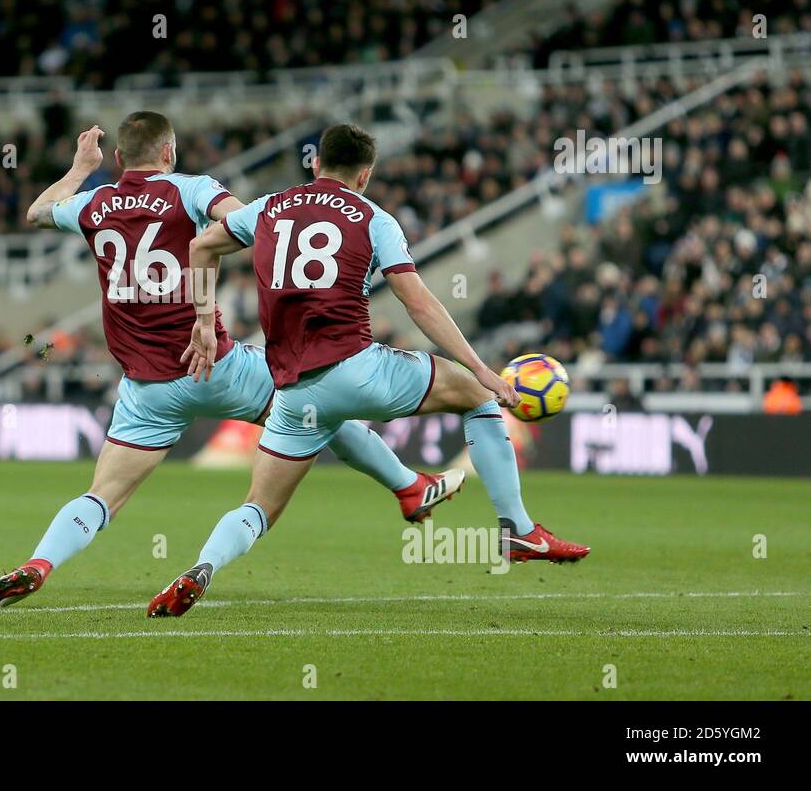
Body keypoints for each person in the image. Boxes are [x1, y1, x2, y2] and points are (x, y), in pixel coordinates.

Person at [0, 113, 461, 608]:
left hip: (145, 386)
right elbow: (258, 224)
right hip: (215, 363)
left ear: (117, 158)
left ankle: (39, 563)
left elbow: (37, 212)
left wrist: (79, 168)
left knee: (102, 496)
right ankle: (408, 486)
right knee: (315, 403)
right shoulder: (192, 189)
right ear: (169, 152)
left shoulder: (95, 201)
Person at [151, 122, 589, 617]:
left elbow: (201, 247)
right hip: (360, 369)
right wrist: (480, 369)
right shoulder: (373, 217)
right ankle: (518, 530)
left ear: (315, 164)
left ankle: (202, 568)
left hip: (293, 390)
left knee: (258, 507)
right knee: (478, 397)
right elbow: (416, 302)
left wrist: (205, 323)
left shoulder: (270, 207)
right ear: (365, 175)